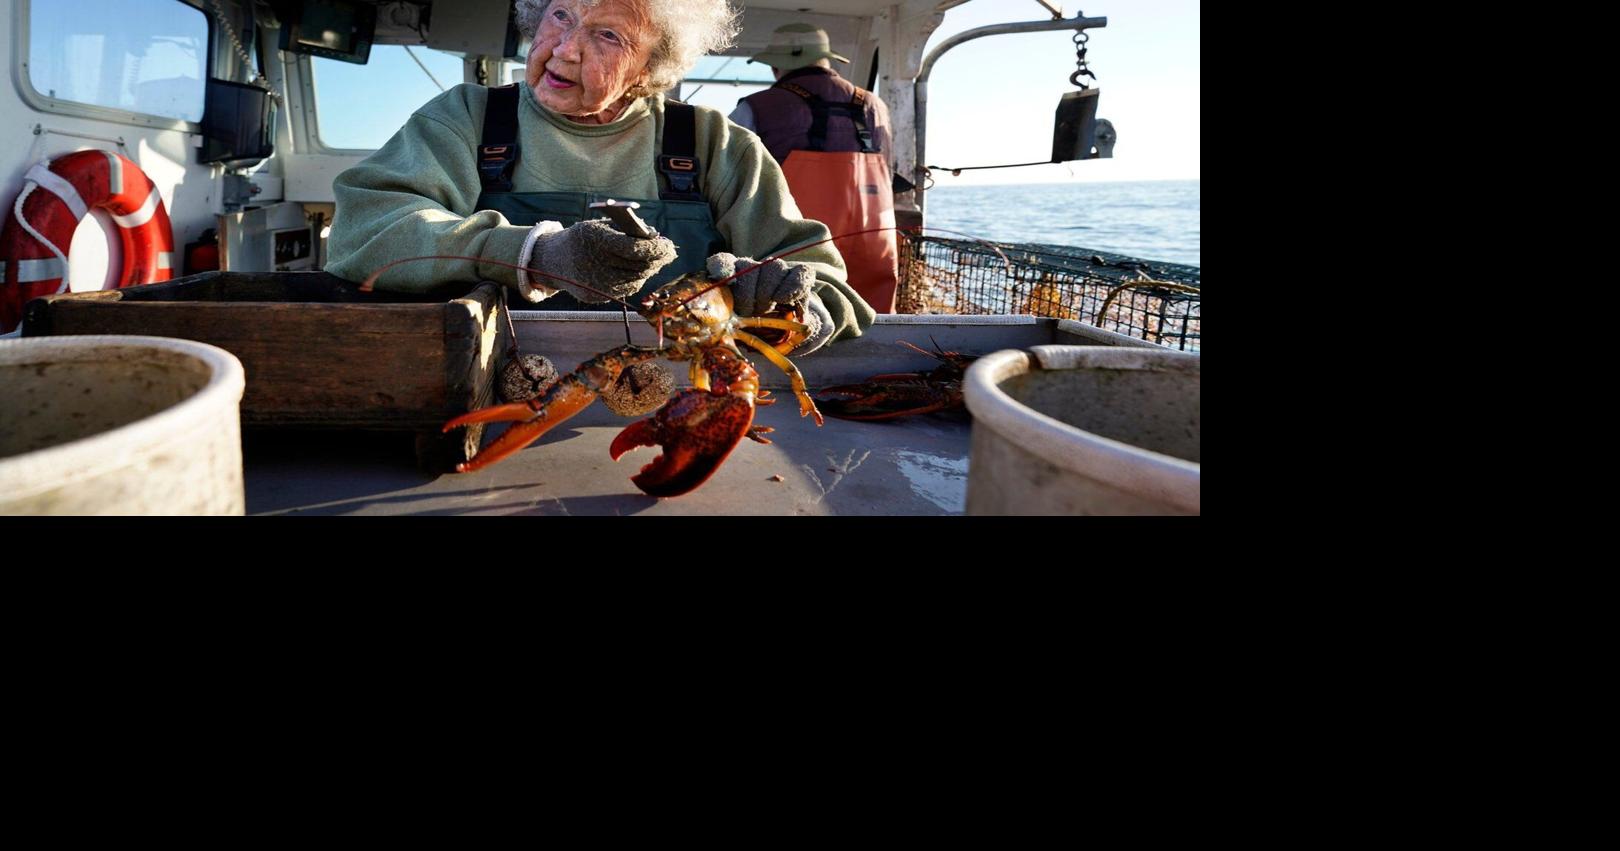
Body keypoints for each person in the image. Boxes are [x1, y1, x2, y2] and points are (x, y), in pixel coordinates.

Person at [325, 0, 874, 355]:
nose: (564, 49)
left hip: (678, 401)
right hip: (488, 384)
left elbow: (830, 288)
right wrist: (531, 255)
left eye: (608, 36)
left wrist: (791, 303)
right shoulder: (468, 117)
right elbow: (365, 231)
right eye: (560, 15)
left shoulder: (713, 143)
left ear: (652, 68)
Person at [729, 23, 900, 313]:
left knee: (796, 325)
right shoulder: (875, 106)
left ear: (776, 67)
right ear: (827, 59)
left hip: (797, 253)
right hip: (874, 247)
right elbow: (890, 171)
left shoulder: (756, 107)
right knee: (872, 325)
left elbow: (727, 178)